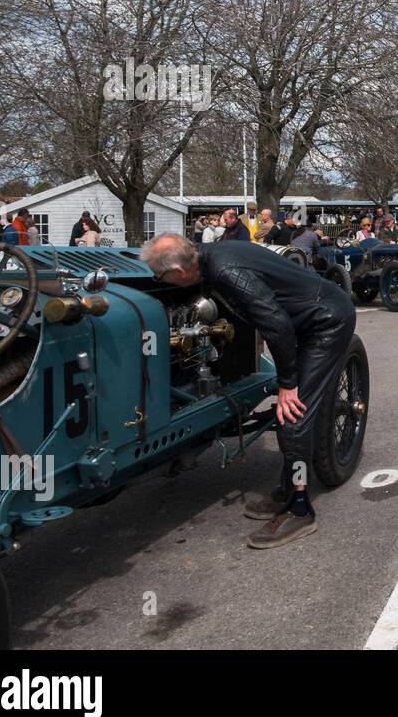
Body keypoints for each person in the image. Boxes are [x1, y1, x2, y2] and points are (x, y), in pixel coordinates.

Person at [140, 233, 357, 549]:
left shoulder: (225, 271)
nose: (158, 280)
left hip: (326, 321)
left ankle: (300, 510)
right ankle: (286, 489)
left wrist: (287, 384)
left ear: (180, 273)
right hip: (310, 317)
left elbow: (277, 325)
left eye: (159, 276)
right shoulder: (208, 256)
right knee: (292, 415)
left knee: (292, 417)